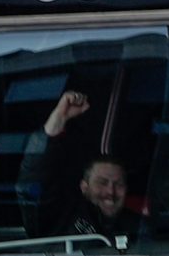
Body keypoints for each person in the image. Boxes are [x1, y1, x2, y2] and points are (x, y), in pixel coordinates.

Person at [19, 90, 143, 244]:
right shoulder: (60, 218)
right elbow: (32, 184)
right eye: (102, 183)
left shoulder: (140, 227)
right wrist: (55, 124)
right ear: (84, 187)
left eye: (118, 184)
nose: (110, 192)